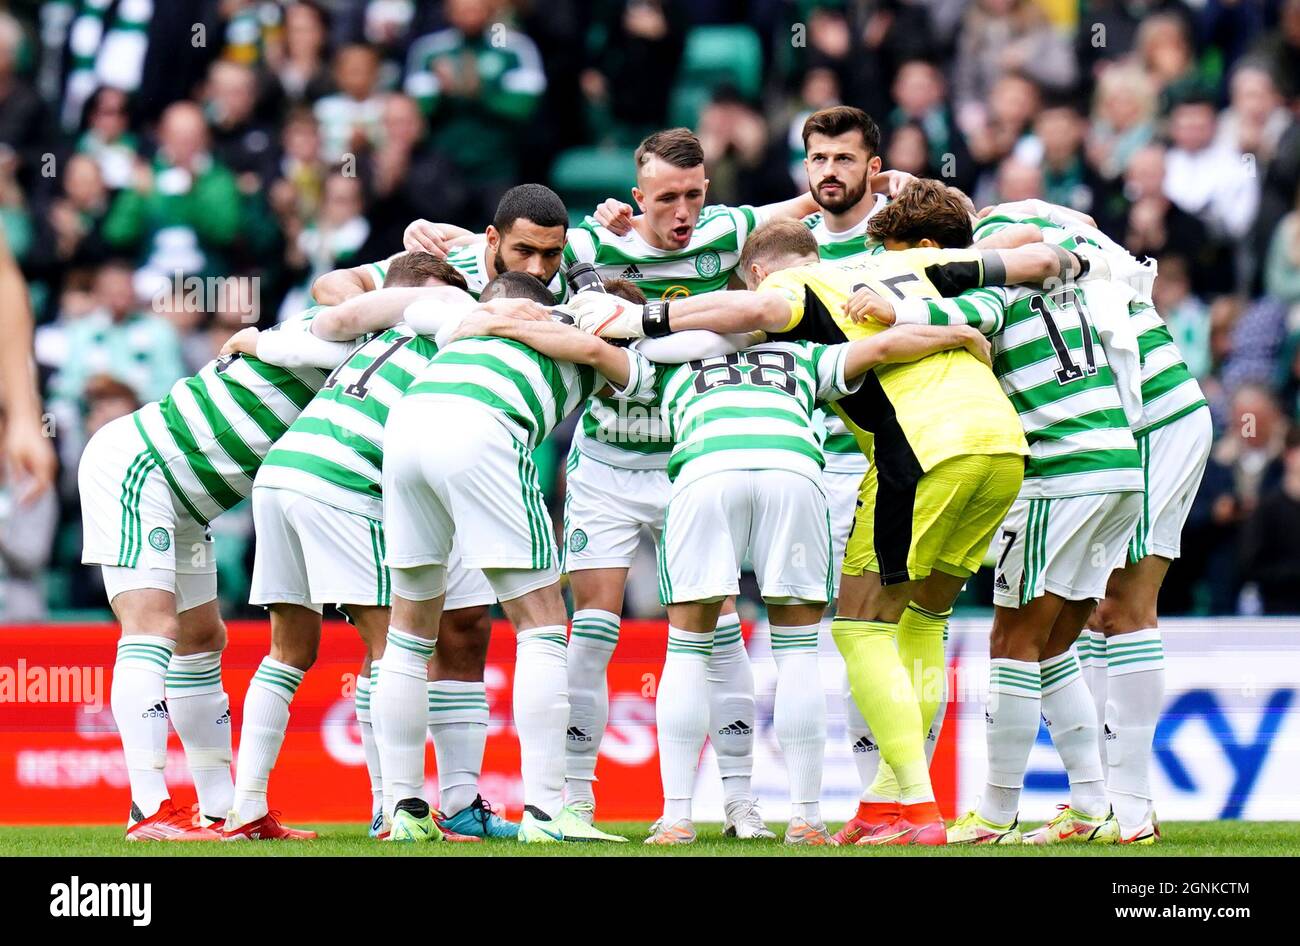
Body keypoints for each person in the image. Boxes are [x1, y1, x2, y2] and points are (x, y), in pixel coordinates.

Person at [568, 218, 1089, 844]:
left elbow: (605, 350)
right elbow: (897, 339)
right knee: (839, 643)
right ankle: (820, 816)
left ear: (757, 274)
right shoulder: (815, 341)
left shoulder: (688, 346)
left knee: (710, 645)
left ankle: (682, 815)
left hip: (733, 467)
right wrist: (960, 330)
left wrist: (609, 315)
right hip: (933, 454)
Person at [642, 308, 990, 846]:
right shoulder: (802, 355)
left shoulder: (665, 360)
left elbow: (594, 350)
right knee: (799, 650)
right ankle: (806, 818)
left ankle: (676, 818)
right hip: (794, 471)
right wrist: (961, 332)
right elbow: (887, 346)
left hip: (705, 469)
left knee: (687, 649)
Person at [218, 254, 515, 841]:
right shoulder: (453, 329)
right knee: (396, 651)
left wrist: (252, 340)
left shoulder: (366, 338)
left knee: (289, 649)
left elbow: (290, 340)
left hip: (281, 475)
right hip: (344, 481)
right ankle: (396, 811)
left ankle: (245, 806)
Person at [77, 276, 378, 839]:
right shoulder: (340, 336)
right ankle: (148, 808)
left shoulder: (357, 345)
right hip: (140, 463)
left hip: (188, 498)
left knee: (203, 638)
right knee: (152, 629)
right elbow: (331, 303)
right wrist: (256, 340)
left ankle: (222, 812)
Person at [372, 270, 658, 843]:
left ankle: (402, 810)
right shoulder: (620, 353)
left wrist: (511, 317)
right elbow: (613, 359)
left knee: (407, 632)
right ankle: (549, 813)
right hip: (483, 428)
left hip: (406, 424)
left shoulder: (494, 325)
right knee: (543, 623)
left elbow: (420, 315)